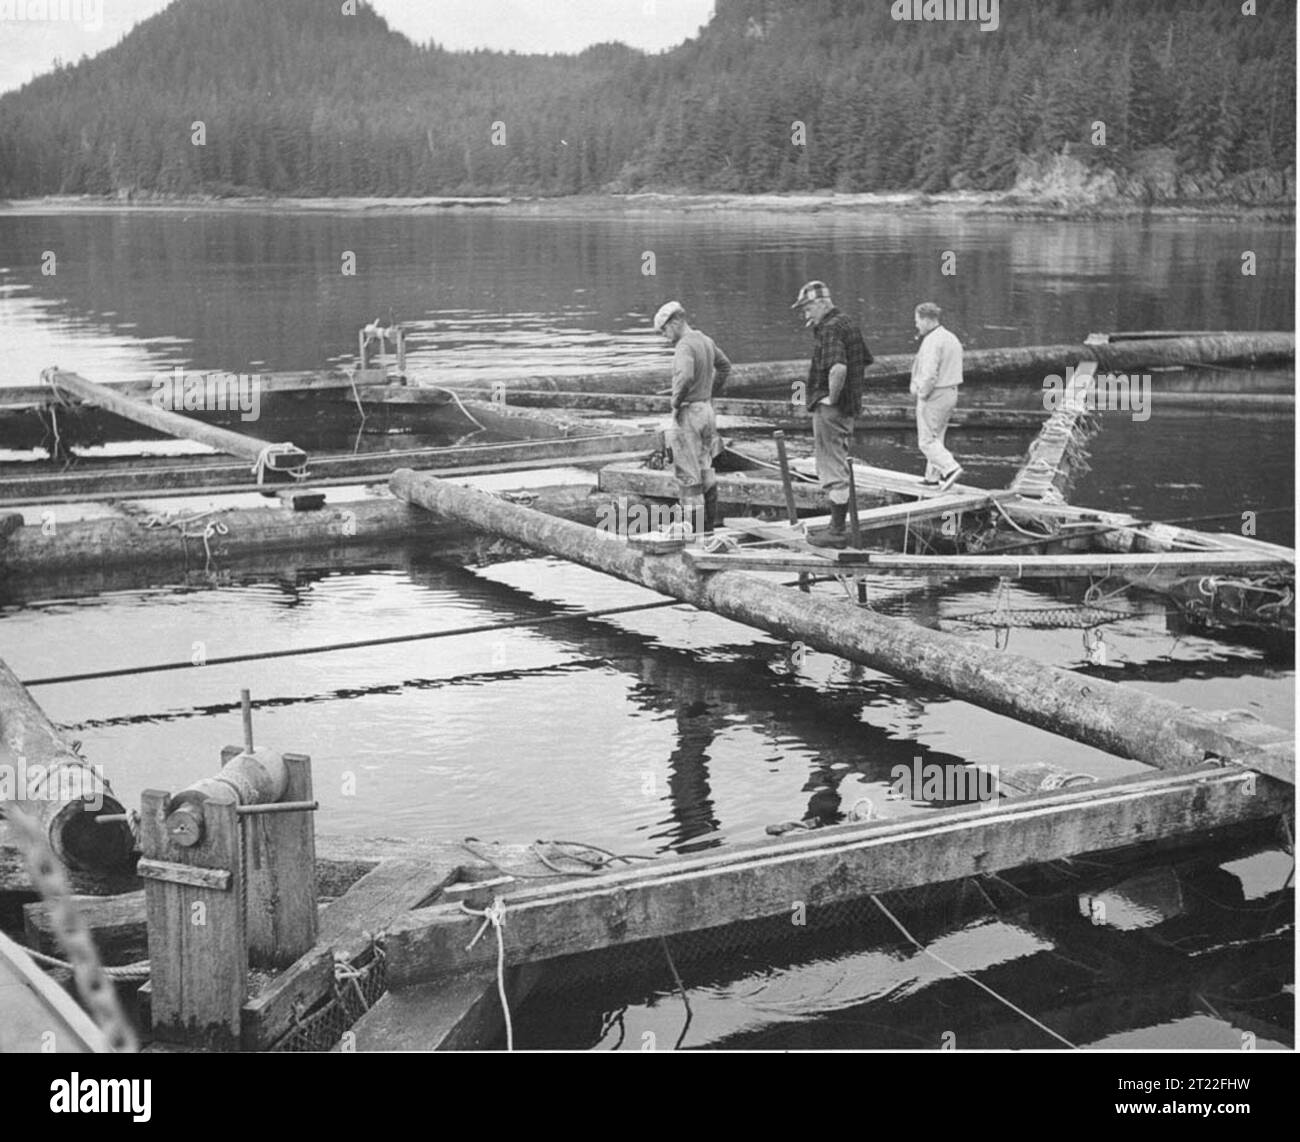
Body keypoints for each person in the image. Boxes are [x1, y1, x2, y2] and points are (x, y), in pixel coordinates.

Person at [790, 281, 872, 548]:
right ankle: (835, 527)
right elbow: (864, 361)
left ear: (821, 304)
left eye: (807, 309)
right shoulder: (847, 322)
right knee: (837, 465)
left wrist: (831, 398)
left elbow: (838, 368)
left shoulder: (829, 328)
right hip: (848, 408)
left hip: (832, 410)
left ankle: (836, 532)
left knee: (831, 469)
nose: (806, 315)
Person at [653, 300, 733, 536]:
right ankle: (708, 530)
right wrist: (710, 392)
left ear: (676, 321)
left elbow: (686, 376)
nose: (665, 336)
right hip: (707, 410)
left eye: (665, 329)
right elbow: (725, 367)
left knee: (688, 479)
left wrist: (675, 401)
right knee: (705, 469)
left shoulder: (684, 345)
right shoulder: (705, 340)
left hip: (689, 412)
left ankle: (694, 536)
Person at [910, 301, 964, 491]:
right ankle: (932, 477)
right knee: (937, 437)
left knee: (926, 441)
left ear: (926, 319)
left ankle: (950, 468)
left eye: (917, 320)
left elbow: (930, 374)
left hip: (935, 394)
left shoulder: (932, 341)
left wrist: (921, 393)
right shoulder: (951, 338)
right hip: (951, 392)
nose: (916, 325)